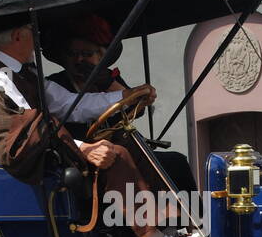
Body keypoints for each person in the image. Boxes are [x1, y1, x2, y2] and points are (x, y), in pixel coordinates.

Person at [0, 20, 192, 237]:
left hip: (54, 153)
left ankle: (174, 228)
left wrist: (124, 96)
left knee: (130, 143)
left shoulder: (28, 74)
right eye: (32, 32)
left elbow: (71, 104)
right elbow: (29, 133)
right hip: (37, 164)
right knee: (116, 155)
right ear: (17, 37)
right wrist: (83, 149)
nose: (36, 39)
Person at [47, 13, 199, 196]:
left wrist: (104, 79)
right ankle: (149, 218)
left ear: (102, 56)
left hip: (123, 149)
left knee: (176, 162)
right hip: (88, 158)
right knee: (127, 163)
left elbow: (135, 107)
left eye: (86, 54)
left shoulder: (108, 79)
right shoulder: (55, 85)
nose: (79, 60)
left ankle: (190, 221)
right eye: (72, 54)